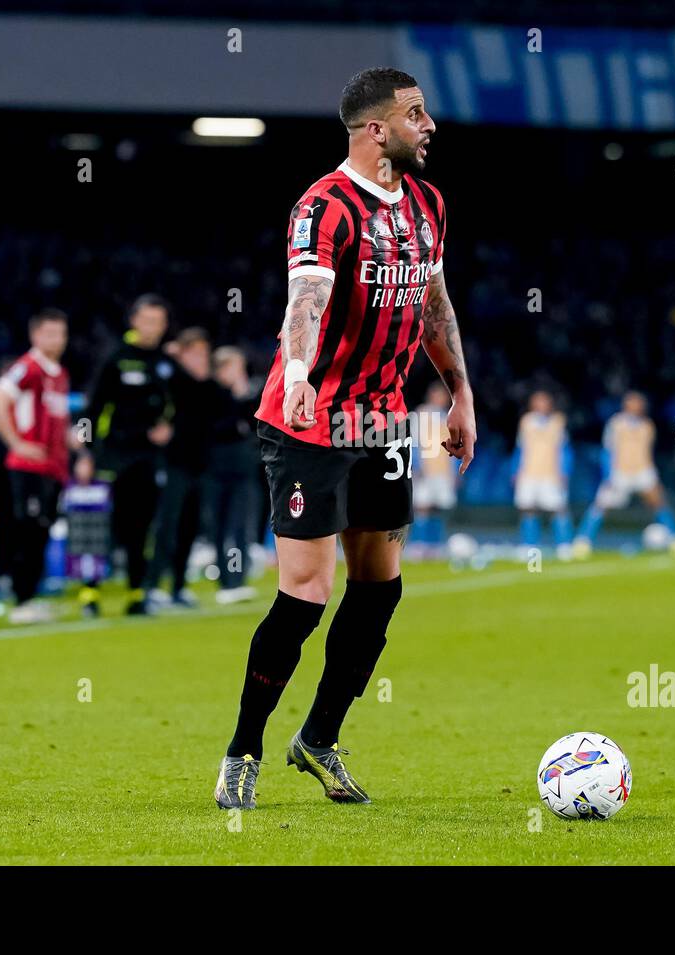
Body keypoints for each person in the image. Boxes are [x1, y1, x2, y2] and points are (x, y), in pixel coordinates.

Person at [214, 67, 476, 810]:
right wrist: (298, 368)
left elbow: (431, 304)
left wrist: (461, 393)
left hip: (384, 420)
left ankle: (319, 736)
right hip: (311, 419)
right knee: (306, 593)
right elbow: (307, 296)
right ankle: (243, 748)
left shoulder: (428, 205)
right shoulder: (323, 205)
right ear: (375, 129)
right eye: (415, 114)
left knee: (379, 589)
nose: (428, 126)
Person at [85, 294, 173, 615]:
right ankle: (89, 595)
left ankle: (137, 594)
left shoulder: (164, 361)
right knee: (102, 527)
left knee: (141, 526)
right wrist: (85, 453)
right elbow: (92, 409)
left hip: (147, 459)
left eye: (158, 322)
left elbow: (172, 408)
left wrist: (167, 427)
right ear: (133, 320)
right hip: (112, 456)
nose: (152, 327)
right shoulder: (115, 357)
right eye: (147, 320)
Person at [0, 308, 72, 623]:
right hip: (28, 466)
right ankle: (22, 599)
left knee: (42, 530)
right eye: (48, 333)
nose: (55, 340)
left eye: (60, 333)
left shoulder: (58, 374)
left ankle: (32, 594)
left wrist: (71, 442)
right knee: (28, 529)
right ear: (35, 335)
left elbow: (58, 419)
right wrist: (17, 442)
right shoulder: (28, 368)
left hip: (53, 468)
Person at [144, 327, 214, 611]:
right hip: (173, 463)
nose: (200, 359)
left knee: (189, 527)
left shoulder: (207, 387)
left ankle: (178, 586)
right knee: (166, 526)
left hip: (199, 465)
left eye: (203, 354)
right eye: (194, 353)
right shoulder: (171, 379)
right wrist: (172, 358)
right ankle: (150, 586)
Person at [575, 391, 675, 555]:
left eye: (639, 403)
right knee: (600, 506)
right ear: (625, 405)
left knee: (659, 503)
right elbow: (608, 450)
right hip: (620, 472)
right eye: (632, 402)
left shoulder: (647, 426)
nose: (636, 406)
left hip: (642, 471)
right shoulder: (615, 424)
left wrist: (653, 474)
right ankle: (583, 541)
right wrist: (609, 474)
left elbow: (647, 452)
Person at [205, 346, 259, 604]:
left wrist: (242, 402)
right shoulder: (210, 394)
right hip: (215, 471)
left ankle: (238, 580)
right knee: (219, 527)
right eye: (234, 368)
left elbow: (252, 426)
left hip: (243, 471)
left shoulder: (247, 397)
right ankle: (225, 581)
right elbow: (217, 428)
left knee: (240, 526)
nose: (239, 374)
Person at [513, 390, 574, 560]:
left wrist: (565, 471)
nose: (541, 405)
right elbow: (520, 448)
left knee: (558, 509)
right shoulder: (526, 422)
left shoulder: (558, 422)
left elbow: (565, 449)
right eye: (538, 402)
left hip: (551, 474)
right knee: (528, 509)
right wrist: (515, 471)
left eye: (544, 402)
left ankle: (564, 545)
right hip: (529, 473)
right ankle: (530, 546)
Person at [411, 380, 459, 557]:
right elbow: (414, 442)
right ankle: (419, 544)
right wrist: (416, 465)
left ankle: (435, 544)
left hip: (443, 470)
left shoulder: (448, 417)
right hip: (425, 469)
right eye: (438, 394)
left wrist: (454, 471)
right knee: (422, 506)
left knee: (439, 506)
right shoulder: (421, 414)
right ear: (431, 395)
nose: (441, 398)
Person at [63, 453, 111, 617]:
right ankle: (87, 598)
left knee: (95, 568)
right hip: (78, 539)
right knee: (81, 567)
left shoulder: (102, 486)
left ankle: (91, 598)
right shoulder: (68, 487)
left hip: (96, 538)